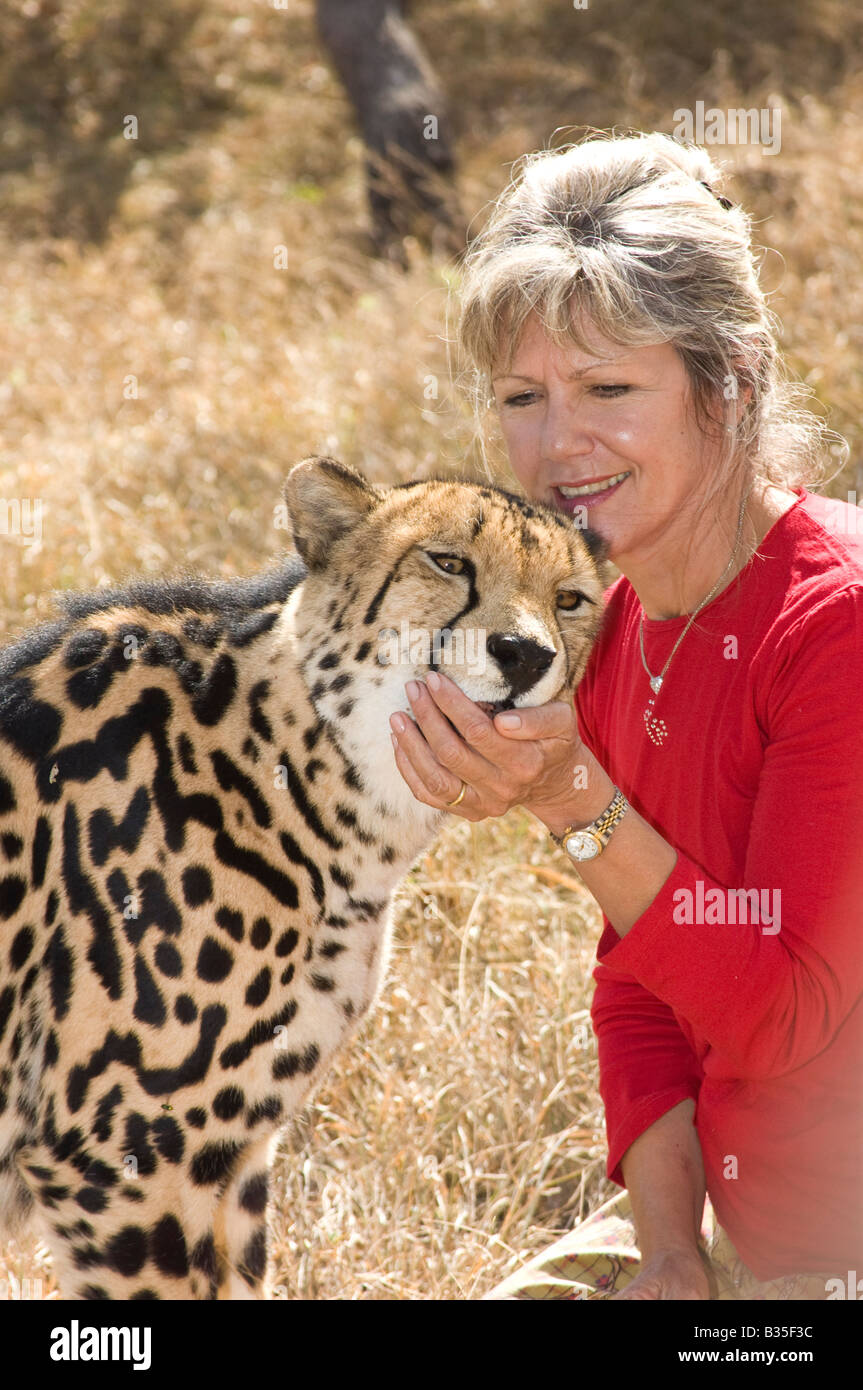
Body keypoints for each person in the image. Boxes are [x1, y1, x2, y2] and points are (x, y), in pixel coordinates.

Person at [387, 131, 863, 1300]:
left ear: (732, 378)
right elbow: (639, 977)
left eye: (607, 389)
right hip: (730, 1230)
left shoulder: (835, 625)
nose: (557, 446)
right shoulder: (616, 615)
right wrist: (662, 1248)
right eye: (522, 398)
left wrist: (568, 799)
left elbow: (779, 1014)